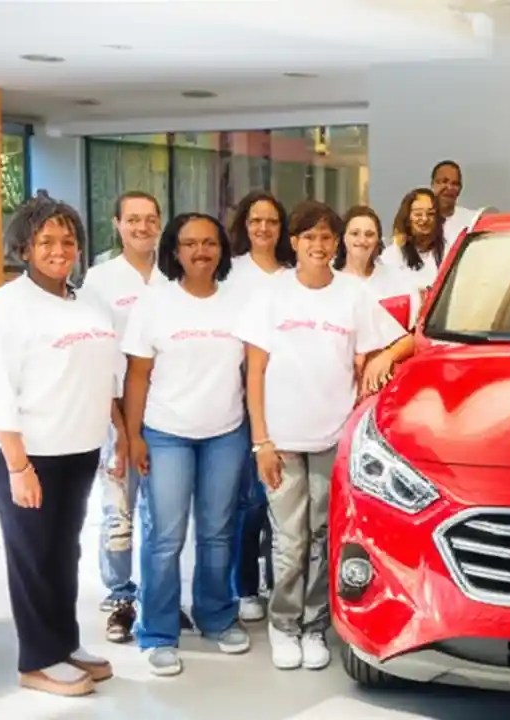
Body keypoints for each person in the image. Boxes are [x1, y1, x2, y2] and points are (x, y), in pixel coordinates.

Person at [236, 201, 415, 670]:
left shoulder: (352, 295)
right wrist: (261, 442)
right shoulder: (270, 295)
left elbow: (406, 338)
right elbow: (254, 372)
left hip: (334, 439)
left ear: (336, 245)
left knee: (322, 536)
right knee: (289, 541)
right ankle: (283, 625)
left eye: (326, 237)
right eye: (308, 236)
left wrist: (380, 358)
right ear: (292, 243)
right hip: (282, 439)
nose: (318, 245)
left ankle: (315, 626)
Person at [0, 195, 124, 697]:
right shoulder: (4, 309)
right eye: (46, 242)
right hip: (23, 448)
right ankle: (37, 659)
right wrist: (18, 466)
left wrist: (118, 435)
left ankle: (65, 643)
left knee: (64, 549)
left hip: (77, 445)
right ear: (24, 246)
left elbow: (105, 373)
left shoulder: (87, 300)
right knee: (33, 551)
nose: (60, 250)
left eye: (68, 240)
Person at [123, 213, 253, 676]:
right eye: (190, 243)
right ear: (174, 251)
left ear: (221, 250)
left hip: (226, 432)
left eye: (210, 243)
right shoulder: (154, 303)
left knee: (218, 533)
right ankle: (157, 631)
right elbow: (136, 376)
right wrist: (133, 435)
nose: (201, 251)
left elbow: (249, 372)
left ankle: (216, 616)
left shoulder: (239, 303)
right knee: (165, 538)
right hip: (167, 433)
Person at [76, 190, 173, 642]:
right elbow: (97, 356)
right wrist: (118, 425)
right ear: (117, 223)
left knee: (162, 515)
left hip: (170, 412)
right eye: (133, 219)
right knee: (120, 512)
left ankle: (158, 598)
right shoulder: (99, 281)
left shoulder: (172, 276)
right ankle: (120, 597)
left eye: (150, 219)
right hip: (116, 411)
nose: (142, 227)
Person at [225, 190, 291, 623]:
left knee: (283, 501)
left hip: (291, 398)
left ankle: (277, 582)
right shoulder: (232, 273)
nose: (263, 228)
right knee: (249, 501)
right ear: (244, 226)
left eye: (270, 221)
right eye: (255, 220)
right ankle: (245, 586)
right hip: (244, 396)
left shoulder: (293, 274)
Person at [380, 188, 447, 297]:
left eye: (430, 214)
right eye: (418, 214)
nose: (425, 219)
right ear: (407, 218)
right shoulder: (392, 255)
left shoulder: (448, 251)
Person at [431, 160, 477, 243]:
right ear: (433, 184)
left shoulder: (472, 221)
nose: (449, 188)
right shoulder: (419, 222)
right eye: (444, 181)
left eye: (455, 184)